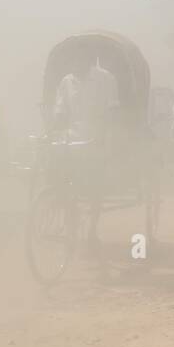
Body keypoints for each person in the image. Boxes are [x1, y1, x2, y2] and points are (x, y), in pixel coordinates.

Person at [51, 52, 120, 244]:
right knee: (64, 182)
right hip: (72, 139)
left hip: (97, 139)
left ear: (88, 61)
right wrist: (52, 131)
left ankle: (91, 231)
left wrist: (107, 136)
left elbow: (112, 110)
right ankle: (70, 224)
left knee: (94, 187)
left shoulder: (105, 79)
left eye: (77, 60)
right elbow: (60, 110)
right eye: (70, 61)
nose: (73, 65)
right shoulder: (67, 81)